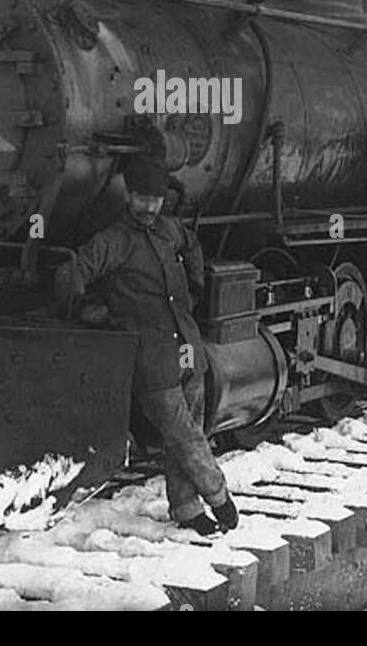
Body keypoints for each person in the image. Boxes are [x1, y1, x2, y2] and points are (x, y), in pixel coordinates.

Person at [55, 155, 239, 536]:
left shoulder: (169, 231)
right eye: (141, 198)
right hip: (151, 358)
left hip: (186, 346)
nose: (148, 206)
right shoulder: (114, 241)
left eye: (155, 199)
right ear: (129, 196)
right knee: (184, 433)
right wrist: (92, 311)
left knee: (185, 432)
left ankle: (187, 508)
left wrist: (195, 289)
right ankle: (219, 499)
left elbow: (192, 247)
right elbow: (71, 272)